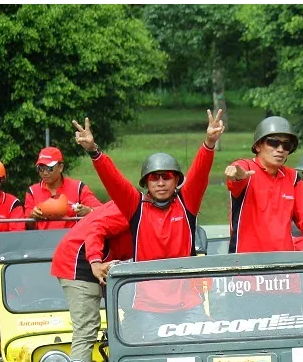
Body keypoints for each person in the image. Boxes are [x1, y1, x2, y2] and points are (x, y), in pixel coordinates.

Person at [72, 110, 224, 339]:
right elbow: (114, 182)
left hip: (188, 302)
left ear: (176, 180)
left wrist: (209, 143)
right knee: (152, 355)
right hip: (148, 306)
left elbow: (199, 174)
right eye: (154, 177)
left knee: (198, 349)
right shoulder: (136, 206)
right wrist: (94, 151)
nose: (161, 182)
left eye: (167, 176)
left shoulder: (187, 203)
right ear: (146, 182)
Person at [50, 201, 133, 362]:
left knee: (129, 327)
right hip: (79, 265)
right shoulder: (130, 206)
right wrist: (96, 261)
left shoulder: (161, 214)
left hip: (107, 265)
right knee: (86, 331)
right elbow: (96, 227)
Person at [223, 116, 303, 258]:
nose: (280, 149)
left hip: (284, 263)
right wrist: (236, 175)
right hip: (245, 264)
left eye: (287, 145)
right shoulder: (246, 167)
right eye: (273, 142)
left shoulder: (292, 177)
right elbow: (237, 174)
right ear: (258, 146)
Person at [24, 146, 102, 230]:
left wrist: (89, 210)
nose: (45, 173)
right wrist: (32, 216)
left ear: (60, 167)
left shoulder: (78, 188)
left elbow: (102, 210)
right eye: (41, 168)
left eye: (50, 168)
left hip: (72, 236)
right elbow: (26, 226)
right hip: (41, 237)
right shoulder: (32, 191)